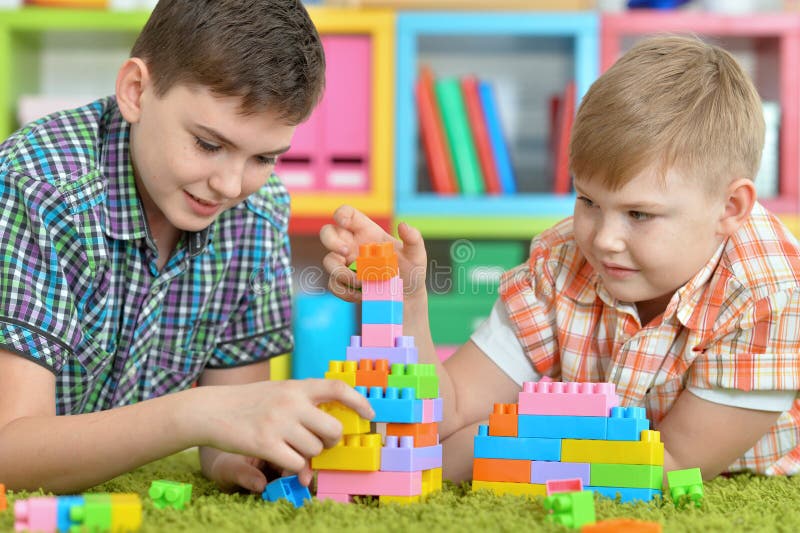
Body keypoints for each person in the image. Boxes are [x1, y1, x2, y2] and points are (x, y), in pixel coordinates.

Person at [321, 35, 800, 482]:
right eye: (588, 200)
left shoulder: (770, 295)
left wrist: (484, 447)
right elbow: (452, 410)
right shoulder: (560, 263)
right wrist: (407, 303)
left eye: (639, 213)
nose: (604, 239)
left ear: (730, 208)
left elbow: (672, 466)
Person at [0, 0, 373, 494]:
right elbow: (9, 453)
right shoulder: (40, 189)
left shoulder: (257, 212)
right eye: (208, 144)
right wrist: (195, 413)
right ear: (136, 91)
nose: (230, 185)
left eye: (263, 158)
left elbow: (233, 417)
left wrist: (252, 455)